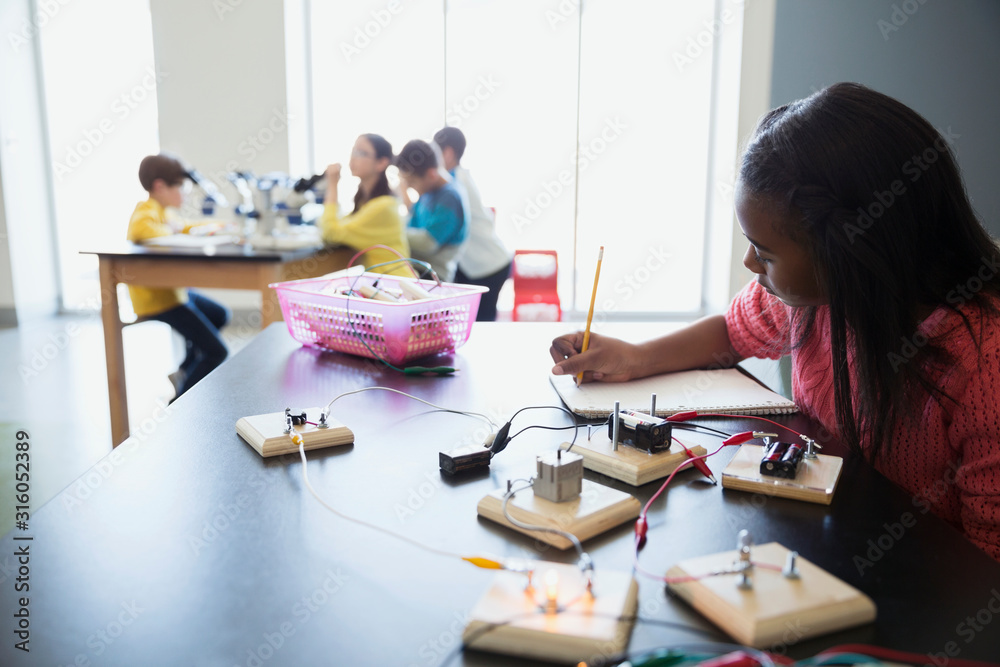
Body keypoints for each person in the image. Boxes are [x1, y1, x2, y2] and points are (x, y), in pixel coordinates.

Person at [549, 83, 1000, 560]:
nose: (749, 262)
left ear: (849, 252)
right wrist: (634, 358)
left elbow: (987, 566)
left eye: (764, 253)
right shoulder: (816, 296)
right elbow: (730, 331)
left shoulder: (984, 362)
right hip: (833, 539)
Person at [127, 154, 230, 399]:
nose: (183, 194)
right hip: (158, 299)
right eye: (180, 187)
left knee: (220, 314)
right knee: (217, 352)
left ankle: (185, 369)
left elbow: (183, 226)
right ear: (160, 186)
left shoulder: (166, 212)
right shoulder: (146, 210)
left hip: (175, 292)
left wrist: (219, 225)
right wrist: (169, 229)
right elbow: (140, 230)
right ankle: (179, 402)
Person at [433, 127, 512, 321]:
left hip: (489, 265)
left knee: (481, 323)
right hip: (473, 264)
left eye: (434, 153)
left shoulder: (456, 184)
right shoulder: (454, 179)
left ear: (448, 153)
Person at [319, 133, 410, 276]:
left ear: (381, 163)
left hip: (397, 288)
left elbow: (330, 232)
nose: (353, 158)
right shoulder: (367, 202)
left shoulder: (383, 207)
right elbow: (339, 224)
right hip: (385, 287)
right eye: (353, 151)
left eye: (361, 153)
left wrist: (332, 185)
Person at [394, 139, 469, 282]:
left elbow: (428, 243)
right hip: (417, 267)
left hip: (435, 275)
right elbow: (410, 224)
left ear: (431, 174)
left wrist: (391, 231)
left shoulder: (450, 197)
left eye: (411, 182)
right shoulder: (427, 193)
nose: (409, 188)